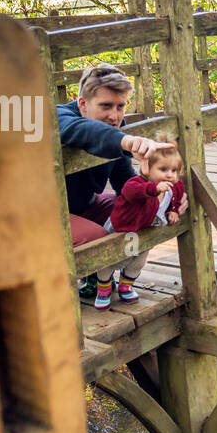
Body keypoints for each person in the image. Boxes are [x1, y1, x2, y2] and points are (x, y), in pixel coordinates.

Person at [57, 64, 187, 300]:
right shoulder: (58, 116)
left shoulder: (117, 126)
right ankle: (91, 280)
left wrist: (165, 197)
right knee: (98, 240)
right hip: (41, 217)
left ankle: (109, 278)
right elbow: (84, 130)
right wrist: (127, 141)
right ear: (82, 104)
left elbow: (125, 182)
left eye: (120, 106)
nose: (115, 116)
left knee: (140, 209)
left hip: (84, 204)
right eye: (106, 106)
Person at [94, 136, 185, 308]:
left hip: (145, 229)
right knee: (109, 260)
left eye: (174, 170)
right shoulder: (138, 183)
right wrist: (153, 189)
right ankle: (104, 288)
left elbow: (178, 195)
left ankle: (126, 286)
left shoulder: (175, 186)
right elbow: (130, 192)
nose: (170, 175)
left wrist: (174, 210)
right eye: (163, 169)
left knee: (138, 261)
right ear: (146, 168)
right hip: (122, 227)